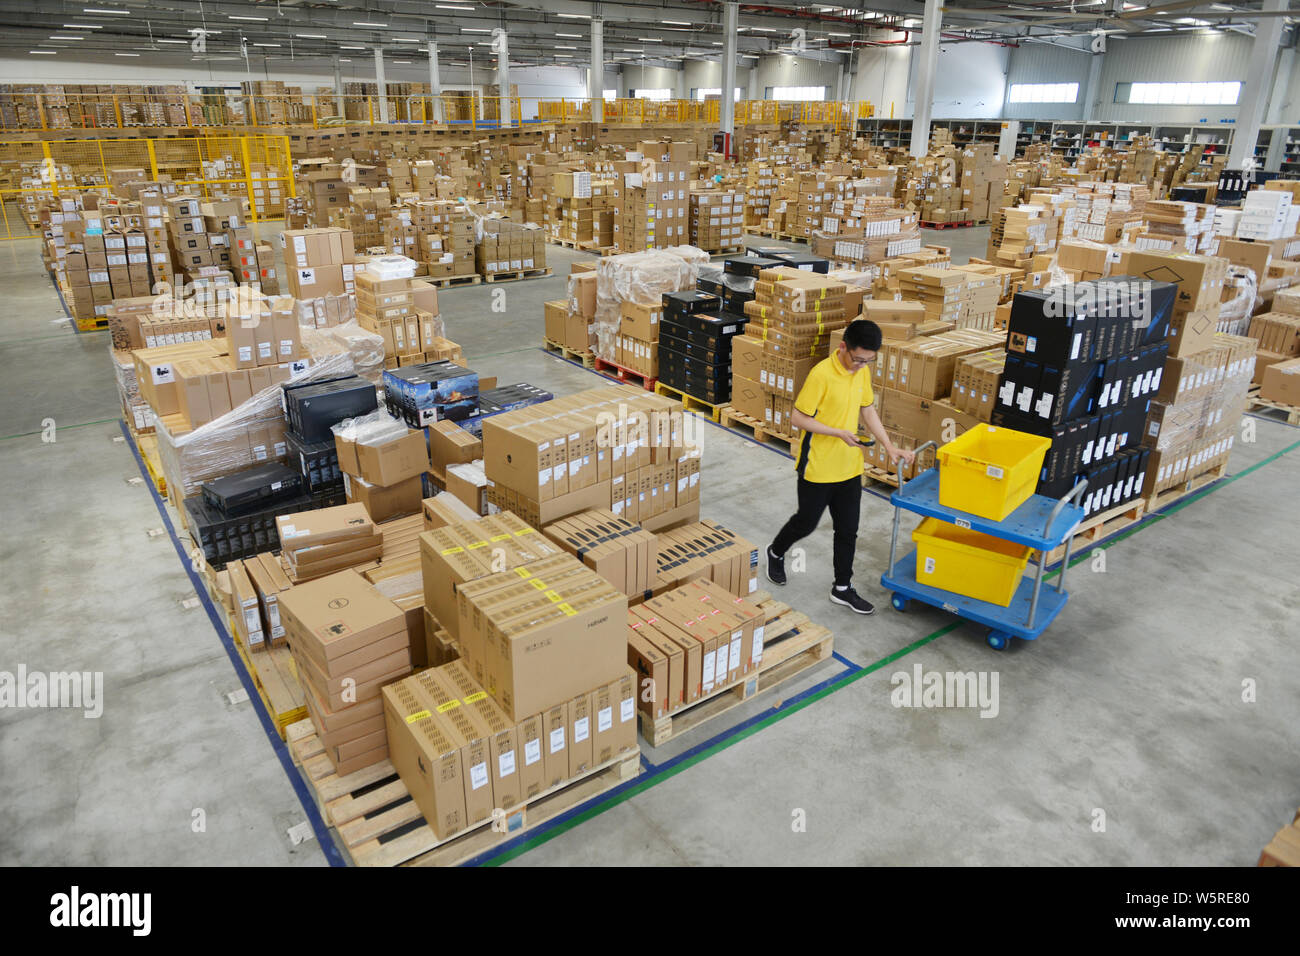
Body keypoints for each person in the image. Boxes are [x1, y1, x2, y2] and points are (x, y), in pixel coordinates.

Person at [765, 318, 915, 614]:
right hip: (818, 466)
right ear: (843, 347)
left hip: (849, 465)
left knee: (848, 530)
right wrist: (837, 433)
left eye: (868, 361)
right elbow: (798, 418)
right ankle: (776, 551)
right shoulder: (821, 374)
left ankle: (842, 587)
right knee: (806, 523)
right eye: (858, 359)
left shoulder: (862, 371)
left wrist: (889, 445)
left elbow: (867, 408)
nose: (861, 365)